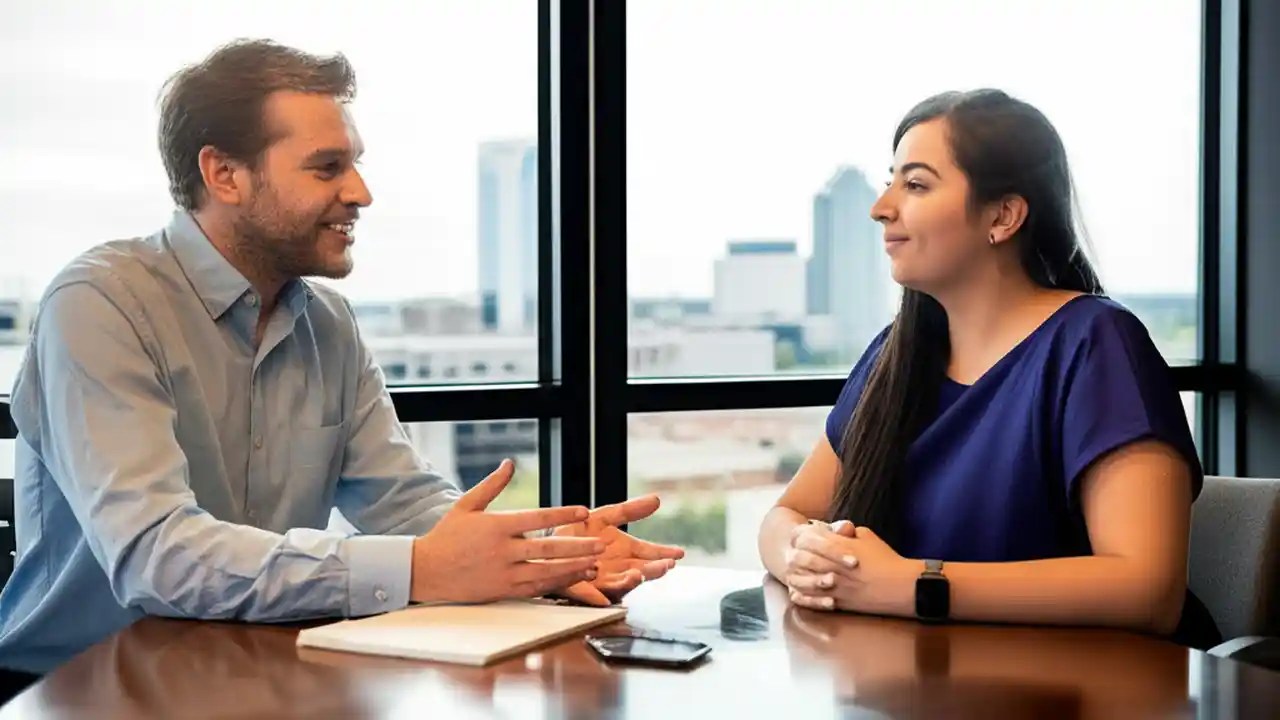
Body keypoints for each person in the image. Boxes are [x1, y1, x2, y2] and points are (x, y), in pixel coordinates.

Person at [0, 39, 684, 686]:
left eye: (354, 164)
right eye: (327, 167)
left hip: (260, 671)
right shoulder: (99, 304)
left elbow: (401, 500)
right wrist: (422, 568)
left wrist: (536, 554)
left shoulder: (328, 322)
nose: (360, 192)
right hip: (79, 688)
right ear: (224, 175)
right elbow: (157, 556)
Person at [758, 89, 1219, 649]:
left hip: (1084, 694)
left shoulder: (1096, 344)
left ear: (1003, 216)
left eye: (917, 184)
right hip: (922, 688)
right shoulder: (896, 355)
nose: (881, 207)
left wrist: (912, 585)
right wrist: (805, 558)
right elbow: (787, 515)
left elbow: (1147, 591)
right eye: (890, 181)